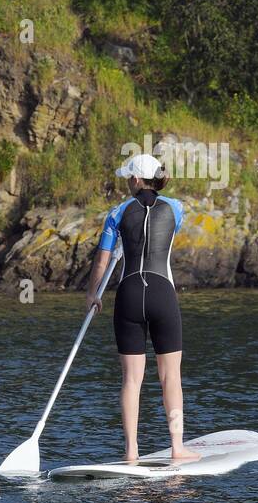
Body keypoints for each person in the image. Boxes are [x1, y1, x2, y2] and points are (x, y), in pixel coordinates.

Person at [85, 152, 199, 463]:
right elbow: (159, 231)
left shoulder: (116, 213)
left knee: (132, 380)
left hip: (129, 295)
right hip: (163, 293)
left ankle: (131, 452)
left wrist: (93, 294)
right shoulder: (177, 209)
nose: (126, 182)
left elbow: (102, 260)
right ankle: (177, 447)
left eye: (128, 177)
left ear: (136, 179)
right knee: (170, 377)